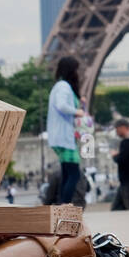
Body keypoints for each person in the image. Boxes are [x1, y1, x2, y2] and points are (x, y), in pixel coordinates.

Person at [45, 56, 83, 204]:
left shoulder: (58, 86)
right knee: (74, 174)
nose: (77, 73)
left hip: (58, 137)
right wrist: (77, 112)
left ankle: (62, 207)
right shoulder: (63, 86)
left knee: (67, 174)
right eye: (75, 70)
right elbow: (61, 105)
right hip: (63, 138)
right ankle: (65, 206)